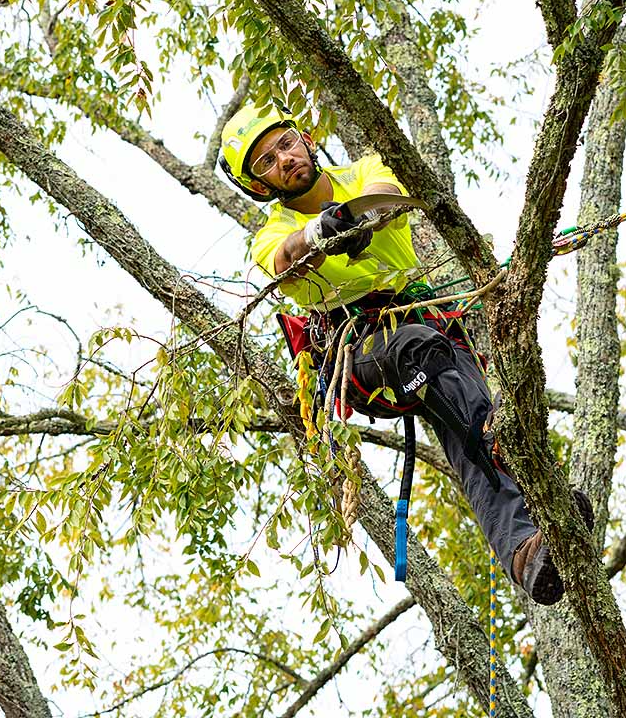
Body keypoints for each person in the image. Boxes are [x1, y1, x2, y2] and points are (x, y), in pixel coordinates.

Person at [219, 104, 592, 606]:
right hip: (361, 349)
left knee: (474, 427)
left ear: (304, 137)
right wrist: (316, 234)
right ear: (260, 184)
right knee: (425, 355)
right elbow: (284, 259)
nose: (283, 159)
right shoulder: (270, 234)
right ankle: (524, 509)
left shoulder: (363, 171)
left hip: (425, 328)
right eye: (265, 162)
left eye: (284, 143)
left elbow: (390, 196)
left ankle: (528, 548)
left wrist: (358, 217)